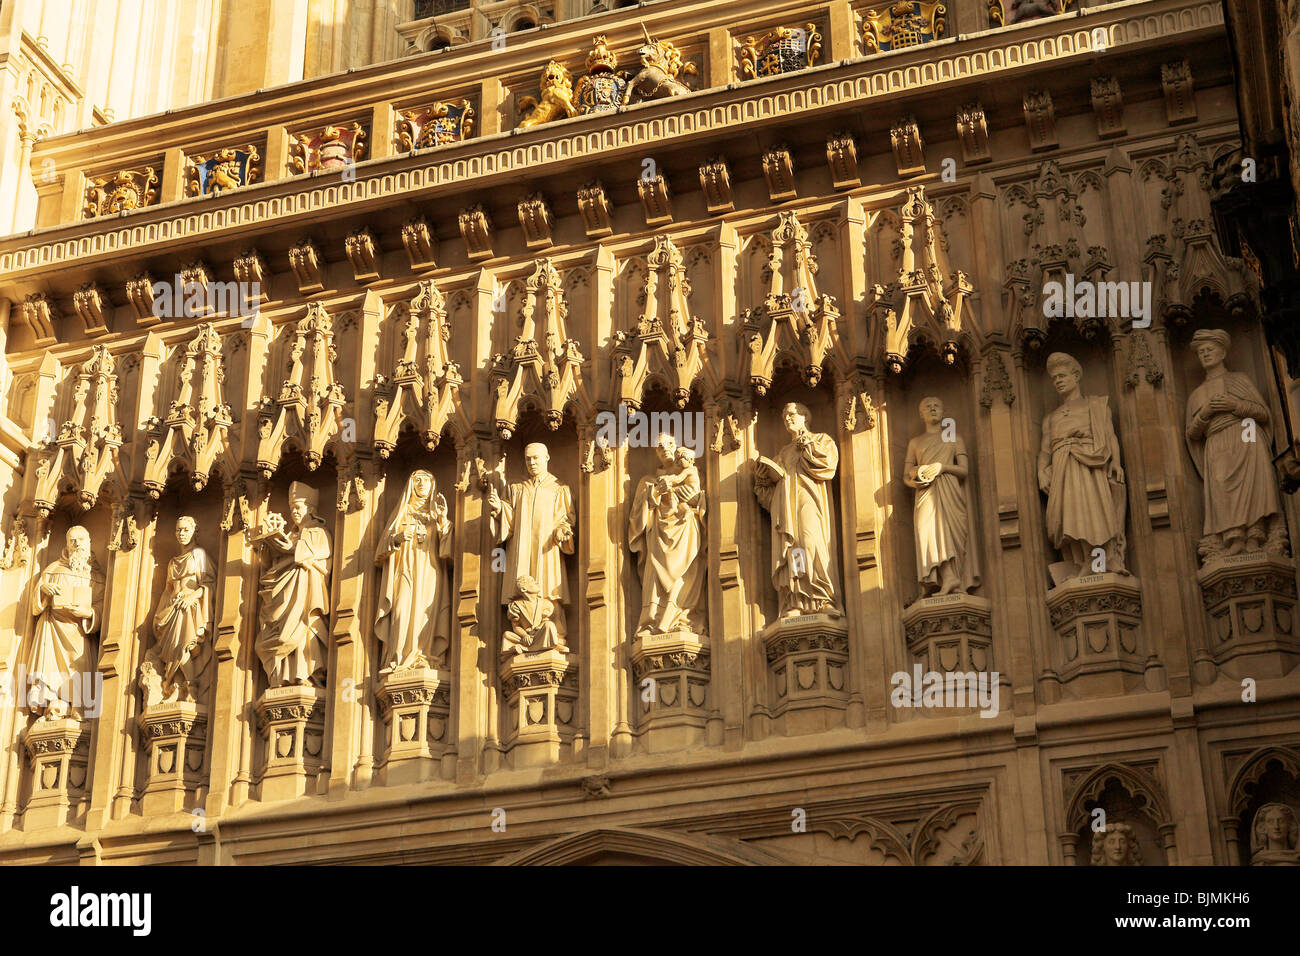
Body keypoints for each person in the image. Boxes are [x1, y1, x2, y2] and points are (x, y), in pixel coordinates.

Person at [1185, 328, 1286, 560]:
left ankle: (1256, 535)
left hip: (1246, 434)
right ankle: (1234, 537)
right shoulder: (1197, 395)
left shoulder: (1240, 380)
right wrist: (1205, 413)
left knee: (1253, 482)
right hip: (1217, 441)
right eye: (1201, 352)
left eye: (1210, 350)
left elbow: (1263, 414)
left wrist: (1234, 405)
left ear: (1222, 353)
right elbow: (1192, 433)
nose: (1206, 355)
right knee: (1221, 485)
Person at [1037, 352, 1128, 581]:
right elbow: (1045, 451)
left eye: (1062, 376)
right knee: (1072, 516)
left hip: (1090, 466)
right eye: (1054, 378)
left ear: (1076, 376)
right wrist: (1040, 472)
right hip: (1063, 471)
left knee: (1095, 512)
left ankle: (1102, 561)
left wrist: (1116, 462)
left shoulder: (1095, 405)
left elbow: (1109, 436)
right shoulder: (1052, 417)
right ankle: (1084, 562)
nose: (1058, 381)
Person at [754, 402, 841, 617]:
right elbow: (768, 497)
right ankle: (797, 600)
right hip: (787, 509)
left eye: (792, 414)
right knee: (794, 548)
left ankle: (822, 597)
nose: (787, 419)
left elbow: (828, 466)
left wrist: (808, 447)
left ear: (805, 417)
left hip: (809, 501)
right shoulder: (783, 453)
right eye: (784, 416)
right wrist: (763, 479)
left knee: (810, 542)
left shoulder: (821, 439)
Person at [488, 442, 575, 639]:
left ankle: (553, 632)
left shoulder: (558, 488)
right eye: (528, 459)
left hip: (547, 549)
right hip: (521, 548)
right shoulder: (515, 488)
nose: (532, 463)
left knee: (549, 587)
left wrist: (562, 530)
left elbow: (566, 519)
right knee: (522, 582)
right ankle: (522, 629)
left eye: (536, 458)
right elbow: (507, 520)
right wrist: (499, 509)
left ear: (546, 458)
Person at [628, 434, 707, 637]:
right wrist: (654, 494)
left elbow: (698, 497)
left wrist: (683, 498)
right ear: (655, 452)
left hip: (685, 531)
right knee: (655, 577)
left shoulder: (691, 473)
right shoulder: (648, 482)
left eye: (669, 445)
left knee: (685, 574)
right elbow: (636, 518)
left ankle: (682, 618)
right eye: (659, 447)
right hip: (657, 537)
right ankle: (652, 623)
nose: (665, 449)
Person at [375, 470, 453, 672]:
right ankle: (398, 658)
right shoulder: (402, 512)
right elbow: (380, 552)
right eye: (417, 480)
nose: (421, 483)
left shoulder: (437, 514)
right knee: (402, 610)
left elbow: (449, 551)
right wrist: (398, 538)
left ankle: (424, 656)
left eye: (426, 479)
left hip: (429, 570)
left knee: (425, 614)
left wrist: (443, 522)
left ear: (432, 484)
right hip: (405, 570)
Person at [256, 482, 331, 687]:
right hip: (284, 594)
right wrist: (264, 544)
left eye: (298, 508)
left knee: (304, 630)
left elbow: (304, 555)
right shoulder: (291, 534)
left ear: (311, 508)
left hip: (304, 594)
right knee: (281, 631)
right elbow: (269, 563)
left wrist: (286, 545)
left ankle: (306, 674)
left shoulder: (318, 532)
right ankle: (284, 676)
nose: (294, 513)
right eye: (292, 509)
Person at [26, 525, 104, 719]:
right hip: (53, 628)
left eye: (81, 539)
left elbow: (104, 607)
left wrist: (89, 612)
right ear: (67, 545)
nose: (77, 544)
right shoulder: (53, 569)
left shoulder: (97, 577)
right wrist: (44, 590)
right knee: (52, 669)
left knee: (81, 664)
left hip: (79, 630)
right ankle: (53, 704)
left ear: (89, 543)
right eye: (72, 540)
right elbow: (35, 605)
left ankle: (78, 705)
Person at [904, 397, 980, 595]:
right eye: (927, 407)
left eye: (936, 405)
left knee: (948, 530)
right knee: (926, 531)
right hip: (926, 491)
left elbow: (964, 470)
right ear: (921, 415)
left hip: (950, 489)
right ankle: (944, 578)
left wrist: (941, 467)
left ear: (943, 411)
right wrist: (917, 478)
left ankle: (952, 578)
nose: (932, 409)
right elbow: (906, 475)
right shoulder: (915, 442)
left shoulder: (953, 437)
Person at [149, 515, 215, 702]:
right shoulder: (172, 562)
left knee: (183, 647)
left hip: (188, 608)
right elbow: (167, 591)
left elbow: (209, 584)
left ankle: (192, 686)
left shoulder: (198, 555)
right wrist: (159, 615)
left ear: (195, 531)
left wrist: (191, 597)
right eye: (178, 530)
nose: (182, 533)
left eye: (186, 529)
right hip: (173, 609)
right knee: (171, 651)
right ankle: (176, 688)